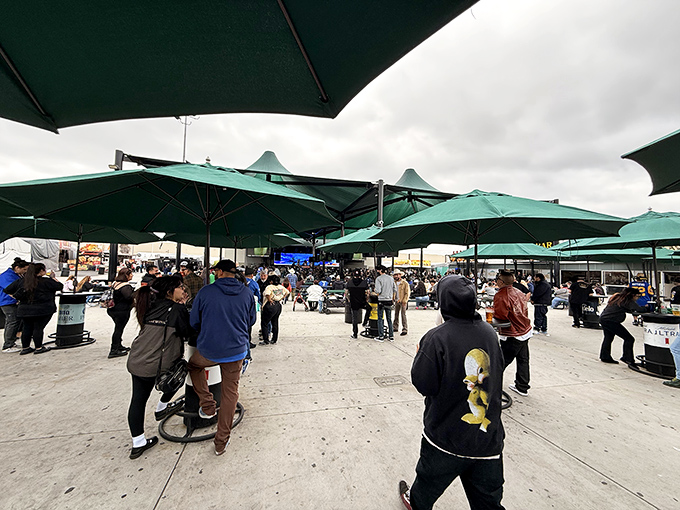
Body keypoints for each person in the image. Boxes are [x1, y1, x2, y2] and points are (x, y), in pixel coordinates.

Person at [401, 275, 506, 510]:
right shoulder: (490, 333)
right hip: (487, 439)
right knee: (488, 501)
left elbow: (424, 385)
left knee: (426, 488)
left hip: (445, 438)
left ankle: (415, 503)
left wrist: (421, 356)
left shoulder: (436, 338)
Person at [188, 259, 256, 456]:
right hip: (236, 351)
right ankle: (221, 442)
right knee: (230, 394)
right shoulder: (247, 292)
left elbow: (194, 321)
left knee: (193, 366)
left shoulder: (206, 292)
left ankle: (208, 405)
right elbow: (251, 320)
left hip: (209, 350)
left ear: (218, 272)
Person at [126, 276, 193, 459]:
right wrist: (185, 308)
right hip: (157, 363)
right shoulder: (177, 309)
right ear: (169, 291)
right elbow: (188, 332)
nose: (183, 290)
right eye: (180, 287)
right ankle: (162, 406)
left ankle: (138, 442)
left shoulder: (149, 305)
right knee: (182, 373)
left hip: (136, 360)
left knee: (138, 400)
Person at [5, 262, 63, 355]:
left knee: (27, 328)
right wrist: (52, 277)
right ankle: (39, 347)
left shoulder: (22, 281)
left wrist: (16, 298)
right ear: (41, 271)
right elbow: (60, 286)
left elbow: (7, 290)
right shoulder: (46, 281)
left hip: (24, 309)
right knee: (38, 328)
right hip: (43, 309)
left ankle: (25, 348)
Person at [494, 270, 532, 397]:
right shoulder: (519, 292)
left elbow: (501, 316)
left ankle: (492, 387)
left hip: (512, 334)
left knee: (500, 362)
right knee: (523, 360)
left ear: (500, 281)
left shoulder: (501, 295)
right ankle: (522, 386)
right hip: (525, 330)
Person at [599, 287, 649, 365]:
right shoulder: (627, 300)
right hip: (611, 321)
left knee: (608, 338)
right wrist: (647, 307)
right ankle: (627, 358)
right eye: (637, 296)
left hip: (604, 319)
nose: (637, 298)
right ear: (632, 295)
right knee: (629, 339)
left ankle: (605, 356)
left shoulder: (618, 298)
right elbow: (639, 309)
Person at [0, 257, 29, 353]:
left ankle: (12, 341)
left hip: (13, 302)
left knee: (16, 321)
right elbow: (10, 289)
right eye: (24, 269)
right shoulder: (7, 276)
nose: (25, 271)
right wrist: (17, 297)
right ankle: (8, 345)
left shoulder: (17, 275)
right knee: (11, 321)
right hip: (7, 302)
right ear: (17, 268)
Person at [107, 267, 135, 359]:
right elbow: (129, 297)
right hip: (122, 310)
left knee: (118, 328)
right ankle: (114, 349)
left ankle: (119, 345)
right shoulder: (125, 286)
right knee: (118, 329)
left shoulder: (116, 283)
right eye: (130, 274)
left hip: (113, 309)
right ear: (126, 275)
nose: (132, 275)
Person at [260, 275, 289, 345]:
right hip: (278, 305)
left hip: (269, 305)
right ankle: (274, 339)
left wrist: (270, 300)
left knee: (264, 323)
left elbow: (267, 294)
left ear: (271, 281)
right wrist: (281, 298)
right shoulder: (281, 287)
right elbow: (287, 292)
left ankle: (266, 339)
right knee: (275, 322)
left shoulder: (269, 287)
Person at [374, 265, 397, 342]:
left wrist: (375, 291)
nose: (377, 272)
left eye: (377, 270)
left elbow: (378, 291)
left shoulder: (378, 279)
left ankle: (381, 336)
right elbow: (395, 289)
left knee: (380, 318)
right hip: (389, 300)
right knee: (389, 319)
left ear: (380, 270)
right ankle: (391, 336)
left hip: (381, 300)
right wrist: (392, 298)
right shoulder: (391, 278)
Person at [345, 270, 368, 339]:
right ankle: (365, 322)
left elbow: (346, 293)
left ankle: (355, 334)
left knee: (354, 318)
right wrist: (366, 299)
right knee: (369, 308)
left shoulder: (349, 282)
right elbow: (368, 292)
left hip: (354, 302)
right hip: (362, 301)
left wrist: (349, 300)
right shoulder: (364, 282)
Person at [244, 267, 261, 350]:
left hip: (239, 305)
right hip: (249, 305)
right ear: (252, 275)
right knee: (249, 323)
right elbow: (258, 294)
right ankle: (248, 342)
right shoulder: (253, 283)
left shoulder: (239, 281)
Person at [393, 269, 410, 336]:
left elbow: (407, 293)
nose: (396, 276)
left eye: (397, 275)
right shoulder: (394, 283)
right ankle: (395, 327)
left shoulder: (405, 283)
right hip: (396, 300)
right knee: (396, 314)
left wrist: (404, 300)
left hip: (402, 300)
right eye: (395, 275)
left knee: (403, 315)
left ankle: (404, 328)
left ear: (400, 275)